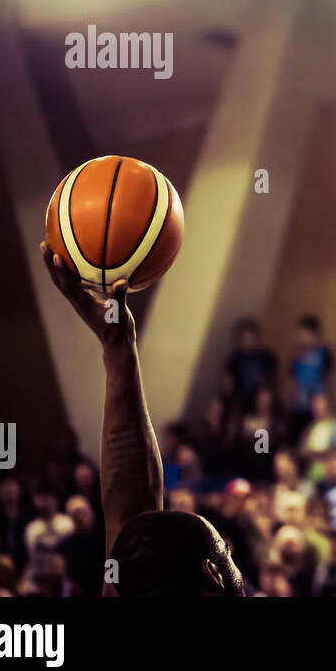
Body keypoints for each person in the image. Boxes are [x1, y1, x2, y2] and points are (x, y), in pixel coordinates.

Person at [39, 241, 243, 597]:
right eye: (223, 553)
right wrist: (118, 347)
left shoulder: (136, 586)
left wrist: (117, 345)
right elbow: (132, 513)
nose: (228, 555)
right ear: (212, 572)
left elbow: (133, 514)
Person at [287, 315, 335, 443]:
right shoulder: (295, 354)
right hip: (298, 406)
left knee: (314, 442)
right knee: (294, 440)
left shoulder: (325, 353)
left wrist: (326, 405)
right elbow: (291, 379)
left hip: (317, 408)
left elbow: (328, 379)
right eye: (300, 333)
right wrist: (290, 401)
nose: (301, 336)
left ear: (314, 334)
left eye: (304, 332)